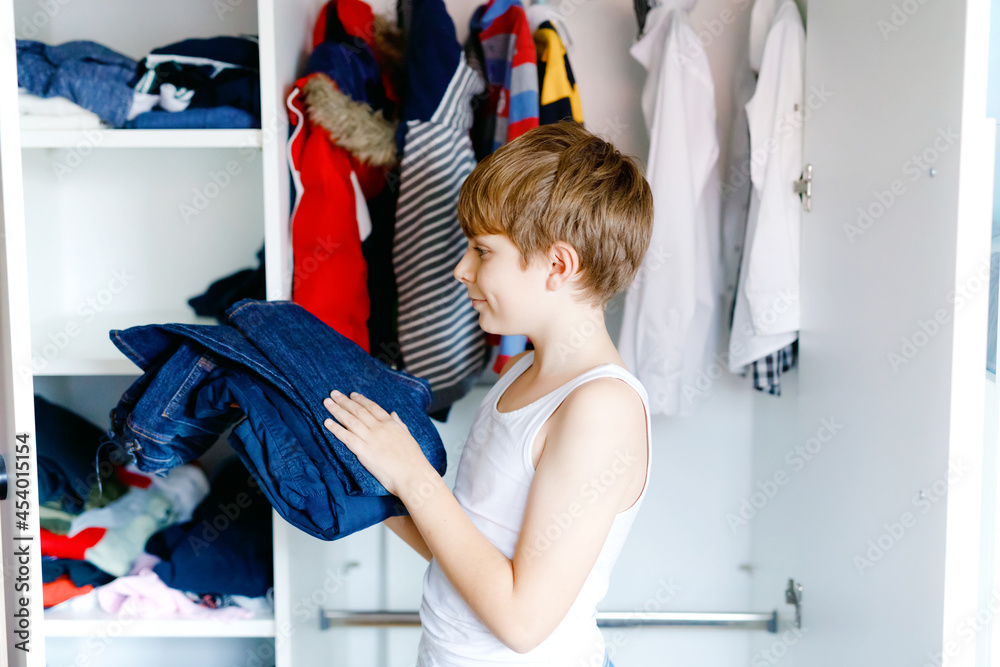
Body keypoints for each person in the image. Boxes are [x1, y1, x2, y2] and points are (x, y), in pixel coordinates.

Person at [321, 121, 655, 666]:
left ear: (559, 264)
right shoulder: (524, 371)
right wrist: (372, 482)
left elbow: (523, 622)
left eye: (482, 251)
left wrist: (412, 474)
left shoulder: (600, 409)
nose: (461, 270)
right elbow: (473, 550)